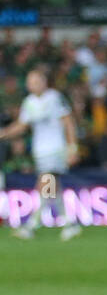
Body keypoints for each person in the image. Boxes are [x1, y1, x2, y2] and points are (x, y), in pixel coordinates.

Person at [0, 69, 80, 240]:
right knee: (52, 187)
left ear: (44, 82)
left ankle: (31, 225)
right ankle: (69, 224)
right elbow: (22, 125)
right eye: (30, 81)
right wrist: (4, 133)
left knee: (45, 184)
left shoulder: (54, 97)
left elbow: (68, 122)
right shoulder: (29, 102)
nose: (33, 84)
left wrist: (72, 147)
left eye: (36, 81)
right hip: (40, 152)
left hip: (55, 149)